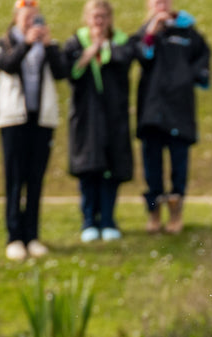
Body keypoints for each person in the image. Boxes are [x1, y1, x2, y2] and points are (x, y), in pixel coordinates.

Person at [0, 0, 67, 261]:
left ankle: (32, 235)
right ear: (16, 18)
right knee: (15, 179)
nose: (32, 23)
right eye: (26, 18)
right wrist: (26, 43)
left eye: (36, 18)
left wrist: (46, 46)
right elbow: (8, 65)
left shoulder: (47, 45)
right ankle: (14, 237)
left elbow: (61, 73)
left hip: (41, 121)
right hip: (14, 120)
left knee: (35, 179)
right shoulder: (4, 43)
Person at [133, 0, 211, 234]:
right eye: (157, 1)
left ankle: (176, 214)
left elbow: (203, 61)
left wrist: (187, 76)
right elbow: (140, 56)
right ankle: (154, 214)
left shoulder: (188, 32)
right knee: (152, 166)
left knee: (179, 163)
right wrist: (151, 32)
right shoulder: (146, 32)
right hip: (152, 109)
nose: (162, 4)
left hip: (179, 109)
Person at [63, 0, 134, 243]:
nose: (99, 21)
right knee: (89, 169)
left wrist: (105, 47)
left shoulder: (121, 42)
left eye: (103, 16)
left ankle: (108, 219)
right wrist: (88, 54)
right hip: (86, 117)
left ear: (110, 18)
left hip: (114, 116)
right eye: (95, 16)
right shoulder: (75, 42)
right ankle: (88, 220)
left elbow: (125, 60)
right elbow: (68, 72)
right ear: (87, 18)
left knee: (110, 170)